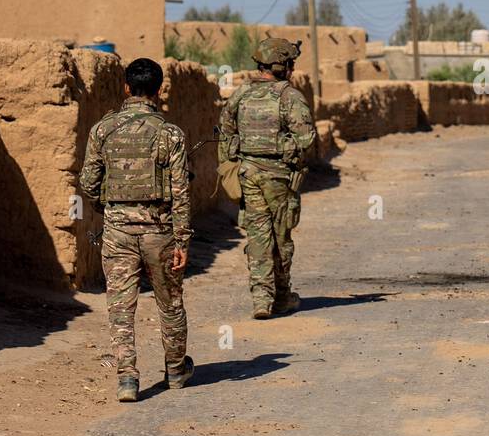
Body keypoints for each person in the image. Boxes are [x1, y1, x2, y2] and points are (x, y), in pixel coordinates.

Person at [79, 57, 192, 403]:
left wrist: (107, 206)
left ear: (126, 88)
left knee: (120, 308)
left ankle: (127, 378)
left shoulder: (102, 130)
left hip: (117, 233)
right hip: (160, 232)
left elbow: (87, 182)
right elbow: (181, 193)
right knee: (169, 302)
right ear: (159, 91)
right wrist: (182, 240)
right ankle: (175, 370)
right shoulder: (171, 134)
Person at [219, 37, 317, 319]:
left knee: (257, 235)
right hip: (279, 178)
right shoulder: (290, 96)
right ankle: (283, 297)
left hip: (248, 174)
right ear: (283, 65)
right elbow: (306, 139)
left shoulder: (241, 94)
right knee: (281, 236)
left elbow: (225, 130)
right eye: (291, 63)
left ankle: (261, 300)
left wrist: (232, 164)